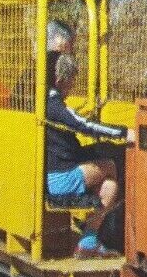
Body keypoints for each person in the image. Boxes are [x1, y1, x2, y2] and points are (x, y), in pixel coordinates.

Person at [44, 50, 130, 258]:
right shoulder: (53, 105)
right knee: (113, 166)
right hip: (60, 179)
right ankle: (94, 233)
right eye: (71, 82)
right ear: (60, 80)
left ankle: (89, 239)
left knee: (110, 182)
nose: (71, 88)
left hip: (53, 173)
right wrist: (124, 132)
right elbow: (84, 125)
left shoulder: (39, 100)